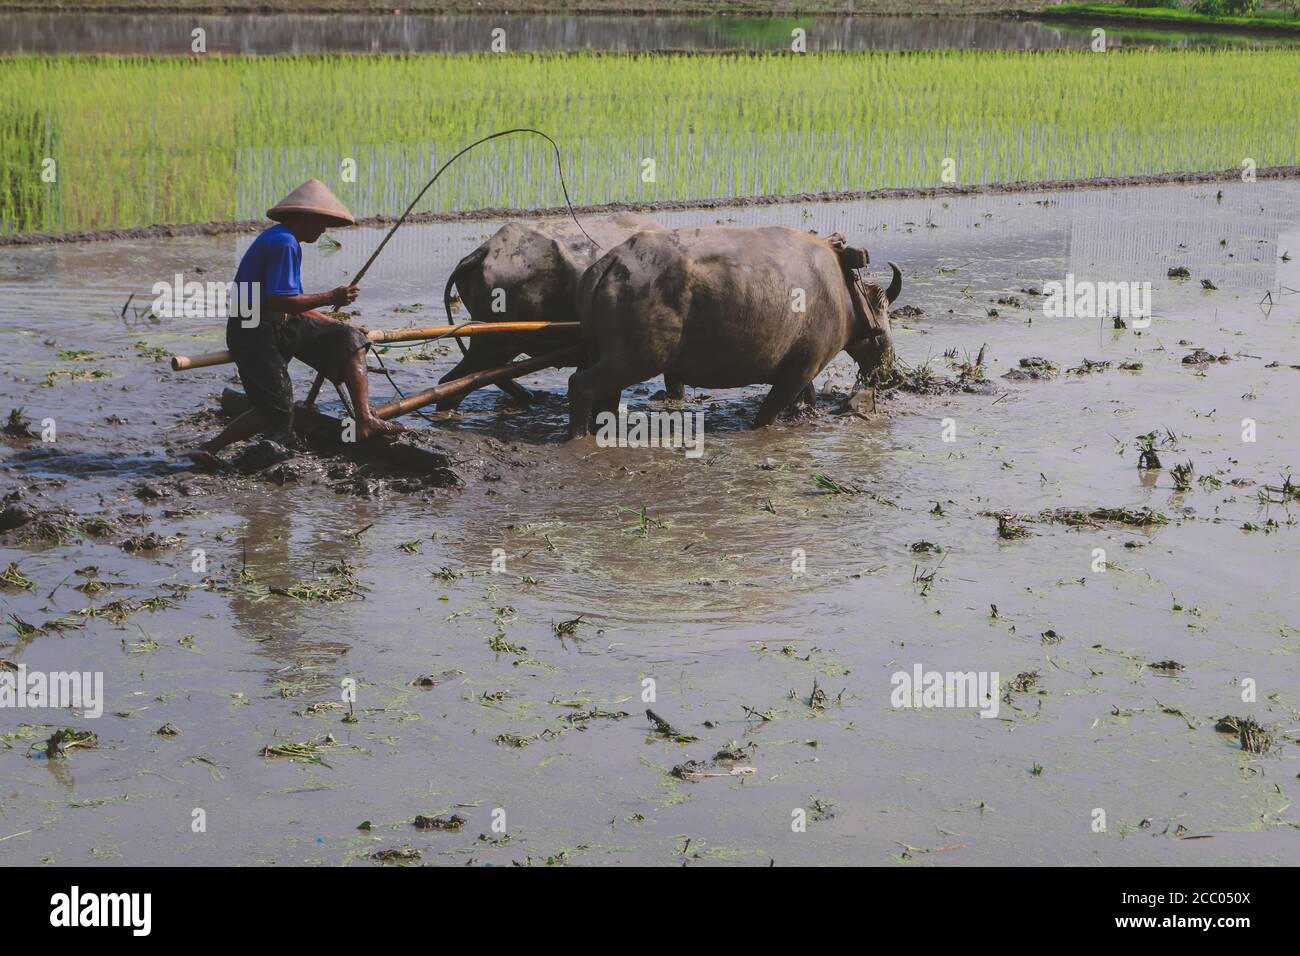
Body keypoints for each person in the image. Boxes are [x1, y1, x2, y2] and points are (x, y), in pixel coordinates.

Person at [189, 178, 403, 462]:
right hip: (254, 329)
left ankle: (365, 419)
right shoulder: (283, 244)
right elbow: (280, 301)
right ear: (303, 217)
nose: (324, 229)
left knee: (349, 339)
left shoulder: (285, 241)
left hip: (281, 322)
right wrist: (332, 295)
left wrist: (338, 324)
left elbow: (294, 306)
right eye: (320, 222)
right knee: (276, 409)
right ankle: (210, 448)